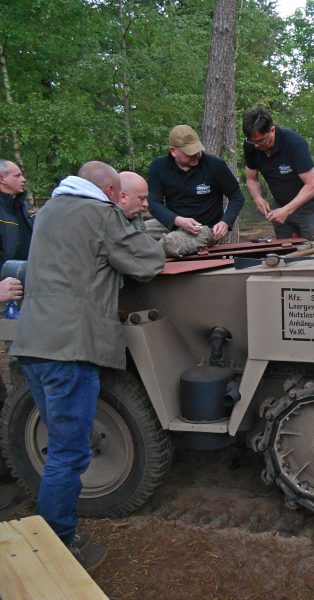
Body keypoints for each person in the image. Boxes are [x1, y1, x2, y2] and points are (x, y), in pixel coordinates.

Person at [10, 161, 165, 573]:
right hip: (70, 350)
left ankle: (51, 536)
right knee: (70, 453)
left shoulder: (48, 213)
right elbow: (147, 263)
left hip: (33, 344)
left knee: (60, 447)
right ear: (112, 190)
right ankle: (57, 548)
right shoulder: (102, 214)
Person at [147, 125, 245, 243]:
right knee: (134, 232)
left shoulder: (215, 165)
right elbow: (153, 203)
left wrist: (225, 221)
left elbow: (237, 196)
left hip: (204, 228)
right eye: (190, 152)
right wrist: (177, 220)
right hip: (173, 222)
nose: (196, 155)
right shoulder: (158, 167)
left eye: (197, 150)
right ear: (173, 151)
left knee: (171, 243)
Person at [242, 105, 314, 239]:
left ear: (272, 130)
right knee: (284, 248)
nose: (256, 146)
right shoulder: (250, 145)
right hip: (280, 203)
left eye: (261, 140)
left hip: (307, 205)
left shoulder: (294, 143)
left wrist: (287, 210)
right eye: (253, 141)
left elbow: (313, 185)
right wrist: (257, 198)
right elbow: (251, 179)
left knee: (312, 248)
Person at [0, 159, 35, 270]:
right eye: (17, 176)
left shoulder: (25, 207)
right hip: (5, 280)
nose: (23, 179)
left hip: (29, 275)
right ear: (2, 179)